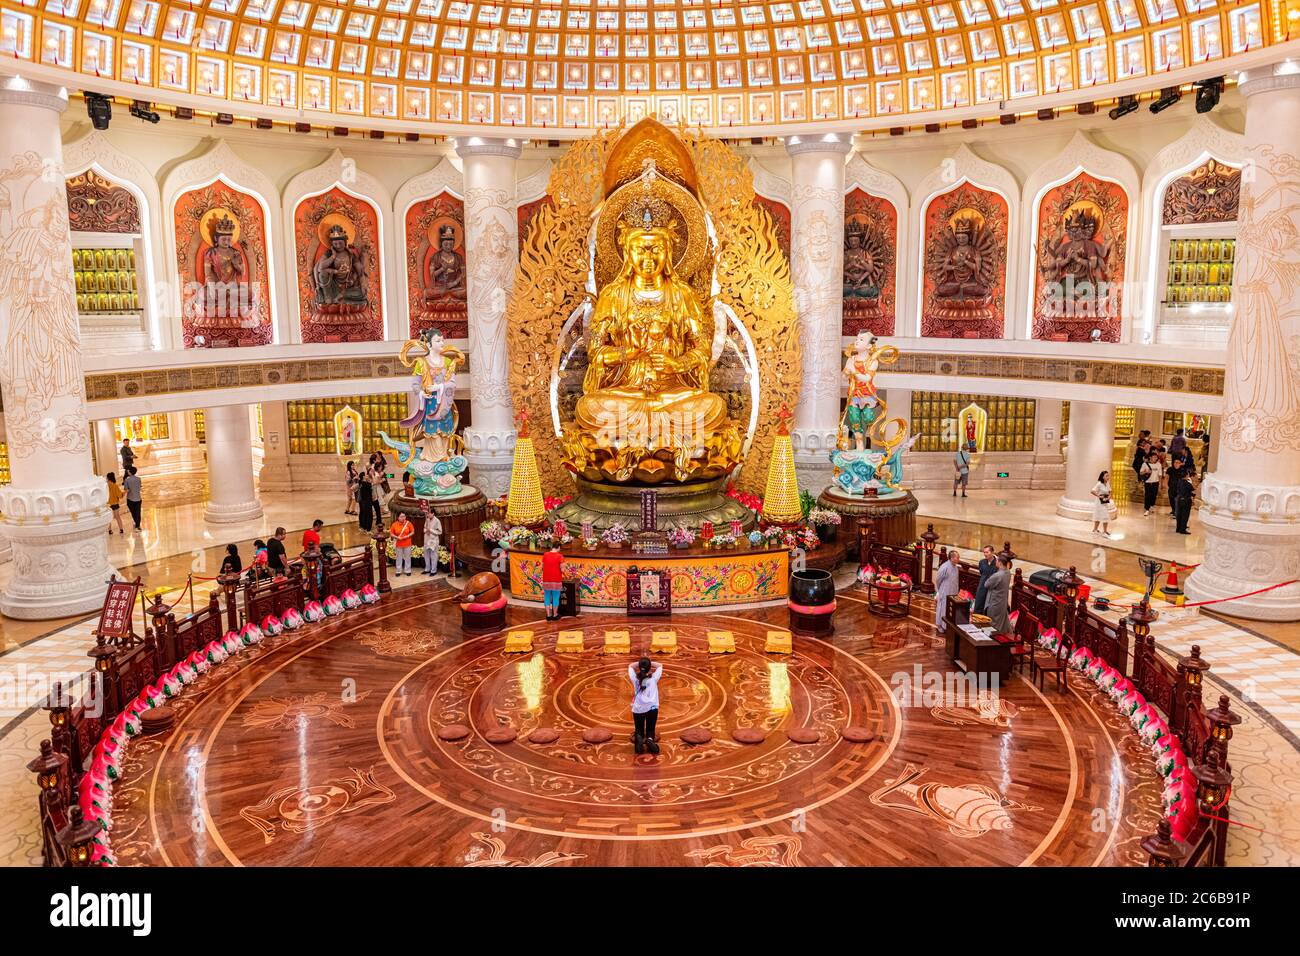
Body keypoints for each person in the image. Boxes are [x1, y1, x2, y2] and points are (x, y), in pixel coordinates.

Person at [628, 657, 663, 755]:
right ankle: (650, 739)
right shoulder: (654, 678)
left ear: (639, 668)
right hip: (653, 708)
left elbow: (630, 666)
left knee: (638, 729)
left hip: (638, 708)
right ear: (649, 668)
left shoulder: (635, 679)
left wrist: (640, 664)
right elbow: (660, 665)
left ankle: (639, 738)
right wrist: (649, 663)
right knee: (651, 729)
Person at [983, 555, 1013, 636]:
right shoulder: (1008, 572)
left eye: (996, 561)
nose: (995, 562)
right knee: (1001, 622)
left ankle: (993, 642)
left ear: (999, 563)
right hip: (1003, 602)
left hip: (995, 603)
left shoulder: (998, 575)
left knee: (993, 624)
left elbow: (986, 584)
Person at [933, 548, 961, 633]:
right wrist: (940, 590)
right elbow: (938, 580)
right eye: (957, 557)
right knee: (942, 608)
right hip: (944, 591)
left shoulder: (956, 567)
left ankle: (947, 625)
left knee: (950, 609)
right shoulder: (944, 567)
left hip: (953, 591)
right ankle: (939, 625)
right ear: (952, 558)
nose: (958, 559)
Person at [541, 541, 564, 619]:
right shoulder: (560, 556)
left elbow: (542, 567)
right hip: (556, 580)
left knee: (547, 597)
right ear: (558, 547)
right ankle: (555, 615)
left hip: (546, 579)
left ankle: (548, 615)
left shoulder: (545, 554)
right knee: (555, 597)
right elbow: (562, 569)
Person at [973, 545, 997, 614]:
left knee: (989, 607)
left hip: (992, 588)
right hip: (982, 586)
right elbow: (981, 572)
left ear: (992, 552)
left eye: (987, 552)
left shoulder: (997, 563)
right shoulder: (982, 562)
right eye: (984, 552)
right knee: (979, 604)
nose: (985, 554)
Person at [390, 511, 415, 576]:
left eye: (404, 516)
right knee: (399, 557)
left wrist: (407, 536)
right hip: (399, 543)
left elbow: (412, 531)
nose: (403, 518)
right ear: (398, 517)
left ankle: (408, 570)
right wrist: (397, 537)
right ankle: (398, 571)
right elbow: (391, 533)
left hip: (407, 543)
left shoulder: (408, 523)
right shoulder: (394, 524)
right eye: (401, 516)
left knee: (407, 557)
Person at [1140, 451, 1163, 517]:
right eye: (1154, 457)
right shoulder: (1145, 464)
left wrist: (1160, 484)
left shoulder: (1158, 464)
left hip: (1155, 482)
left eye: (1156, 457)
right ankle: (1147, 509)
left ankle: (1152, 506)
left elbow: (1160, 475)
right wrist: (1146, 471)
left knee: (1154, 495)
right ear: (1150, 457)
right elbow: (1141, 473)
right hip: (1147, 482)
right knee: (1147, 496)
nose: (1155, 458)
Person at [422, 504, 443, 576]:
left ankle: (433, 570)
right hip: (426, 539)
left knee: (433, 555)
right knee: (426, 555)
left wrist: (430, 530)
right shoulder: (427, 520)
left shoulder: (437, 521)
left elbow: (440, 532)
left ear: (433, 513)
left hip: (433, 540)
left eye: (429, 513)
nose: (428, 515)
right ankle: (427, 569)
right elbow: (424, 528)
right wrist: (425, 530)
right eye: (427, 513)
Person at [1174, 467, 1196, 535]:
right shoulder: (1188, 483)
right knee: (1185, 515)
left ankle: (1178, 528)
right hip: (1186, 500)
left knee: (1179, 514)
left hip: (1179, 499)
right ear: (1186, 475)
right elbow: (1194, 490)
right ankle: (1182, 529)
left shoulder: (1179, 481)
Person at [1091, 470, 1113, 537]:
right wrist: (1098, 496)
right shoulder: (1099, 484)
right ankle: (1104, 531)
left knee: (1102, 515)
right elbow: (1092, 491)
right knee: (1104, 515)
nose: (1108, 477)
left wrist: (1109, 497)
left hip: (1105, 502)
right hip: (1099, 502)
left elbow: (1110, 491)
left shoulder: (1107, 483)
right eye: (1106, 476)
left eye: (1108, 475)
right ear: (1102, 477)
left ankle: (1096, 529)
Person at [122, 466, 143, 531]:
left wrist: (122, 495)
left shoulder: (127, 480)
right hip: (138, 498)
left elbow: (126, 489)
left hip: (130, 499)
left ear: (130, 472)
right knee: (138, 512)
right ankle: (138, 525)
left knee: (133, 512)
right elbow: (139, 487)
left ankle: (137, 524)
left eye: (128, 470)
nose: (127, 471)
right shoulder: (139, 479)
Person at [356, 468, 374, 532]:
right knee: (369, 514)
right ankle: (368, 528)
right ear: (364, 477)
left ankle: (363, 526)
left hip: (363, 501)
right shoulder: (366, 484)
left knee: (363, 513)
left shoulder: (361, 483)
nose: (367, 475)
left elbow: (391, 475)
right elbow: (373, 483)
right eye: (365, 475)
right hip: (367, 500)